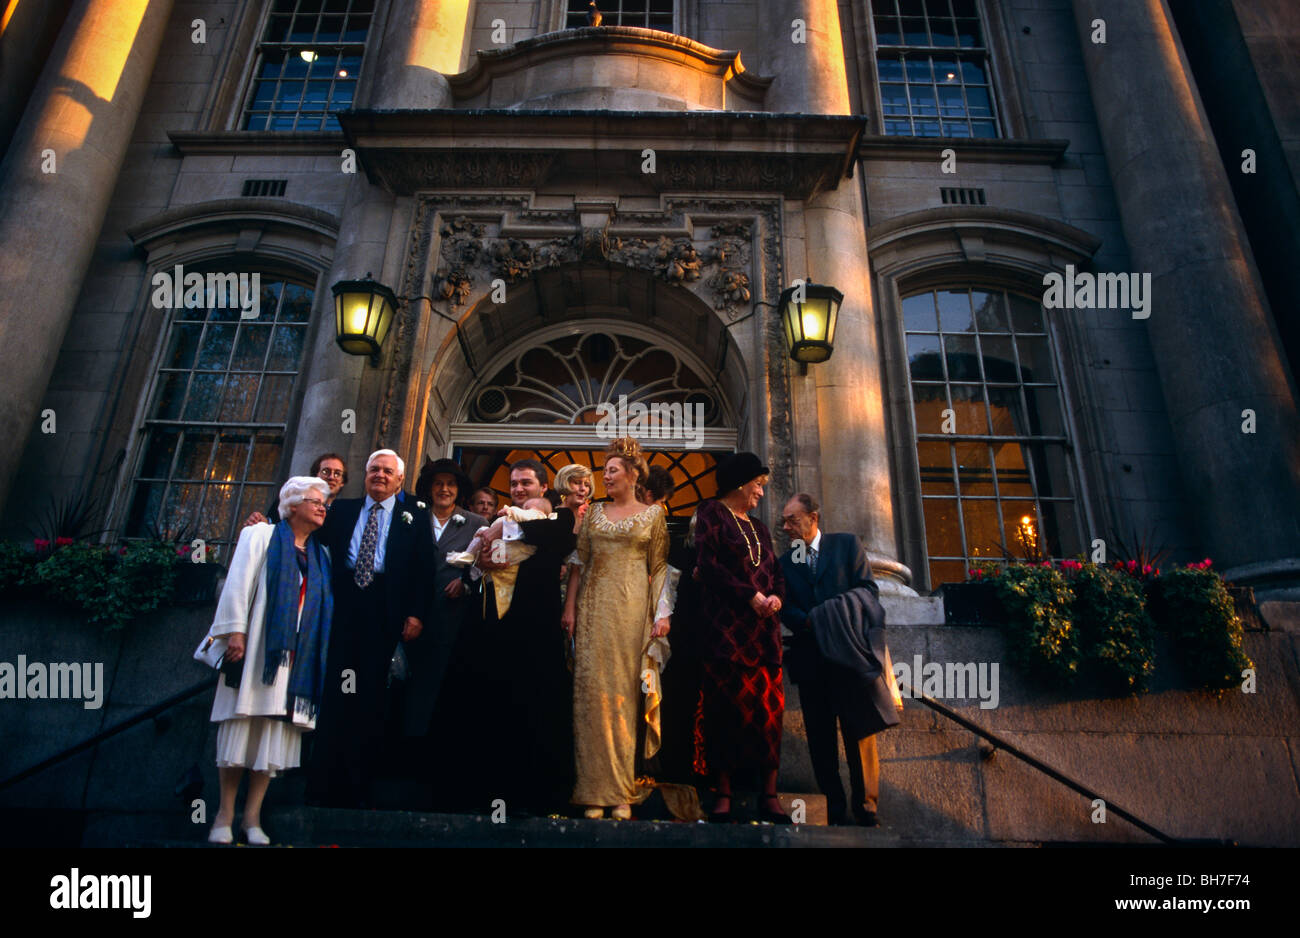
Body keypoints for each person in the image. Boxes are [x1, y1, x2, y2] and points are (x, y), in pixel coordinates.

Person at [200, 476, 334, 845]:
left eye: (325, 502)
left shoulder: (321, 555)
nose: (323, 506)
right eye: (315, 500)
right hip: (258, 648)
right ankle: (223, 816)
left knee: (273, 734)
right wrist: (236, 633)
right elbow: (237, 585)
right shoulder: (260, 536)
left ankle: (252, 818)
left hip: (296, 658)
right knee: (242, 725)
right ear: (292, 505)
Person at [306, 449, 434, 808]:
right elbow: (301, 526)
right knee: (336, 691)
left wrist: (416, 615)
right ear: (364, 475)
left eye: (387, 471)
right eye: (374, 469)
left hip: (386, 611)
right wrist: (262, 521)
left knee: (374, 698)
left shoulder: (414, 517)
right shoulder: (342, 510)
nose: (379, 475)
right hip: (344, 607)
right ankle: (322, 786)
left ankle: (360, 787)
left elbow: (425, 569)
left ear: (399, 480)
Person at [561, 438, 669, 819]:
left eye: (611, 470)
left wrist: (662, 615)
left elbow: (659, 570)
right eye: (604, 471)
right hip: (592, 608)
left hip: (633, 610)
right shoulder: (592, 514)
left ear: (632, 473)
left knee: (624, 697)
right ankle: (592, 791)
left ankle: (622, 793)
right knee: (592, 696)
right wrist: (571, 606)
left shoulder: (654, 516)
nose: (605, 477)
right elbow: (578, 561)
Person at [780, 493, 897, 826]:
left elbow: (868, 591)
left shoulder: (847, 545)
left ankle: (867, 806)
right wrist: (807, 621)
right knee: (820, 740)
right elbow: (786, 607)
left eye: (793, 519)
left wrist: (832, 615)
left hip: (850, 658)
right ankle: (834, 806)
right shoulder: (785, 562)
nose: (787, 527)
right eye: (784, 521)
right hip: (811, 660)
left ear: (813, 517)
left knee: (860, 735)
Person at [474, 458, 576, 815]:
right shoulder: (500, 522)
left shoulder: (558, 518)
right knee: (501, 714)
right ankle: (497, 792)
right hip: (501, 631)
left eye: (526, 483)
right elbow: (486, 564)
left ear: (544, 487)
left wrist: (507, 524)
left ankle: (541, 795)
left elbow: (557, 539)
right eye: (514, 484)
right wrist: (483, 560)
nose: (518, 489)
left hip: (540, 631)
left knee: (541, 711)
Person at [693, 452, 789, 823]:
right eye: (757, 485)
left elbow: (776, 572)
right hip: (726, 634)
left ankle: (769, 794)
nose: (761, 494)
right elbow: (708, 565)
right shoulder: (711, 514)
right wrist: (751, 596)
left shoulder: (761, 528)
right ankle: (724, 793)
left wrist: (776, 597)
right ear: (739, 483)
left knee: (768, 715)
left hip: (764, 636)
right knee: (725, 713)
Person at [400, 458, 488, 801]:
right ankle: (403, 767)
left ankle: (440, 773)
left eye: (451, 484)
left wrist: (466, 582)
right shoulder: (409, 518)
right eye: (438, 483)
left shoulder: (478, 523)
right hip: (411, 621)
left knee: (445, 692)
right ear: (429, 487)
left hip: (455, 624)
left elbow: (490, 564)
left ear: (460, 490)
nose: (444, 489)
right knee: (408, 691)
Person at [243, 453, 347, 526]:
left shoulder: (343, 515)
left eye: (337, 474)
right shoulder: (293, 498)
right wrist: (261, 522)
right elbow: (271, 523)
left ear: (342, 482)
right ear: (315, 475)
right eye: (325, 471)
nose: (331, 477)